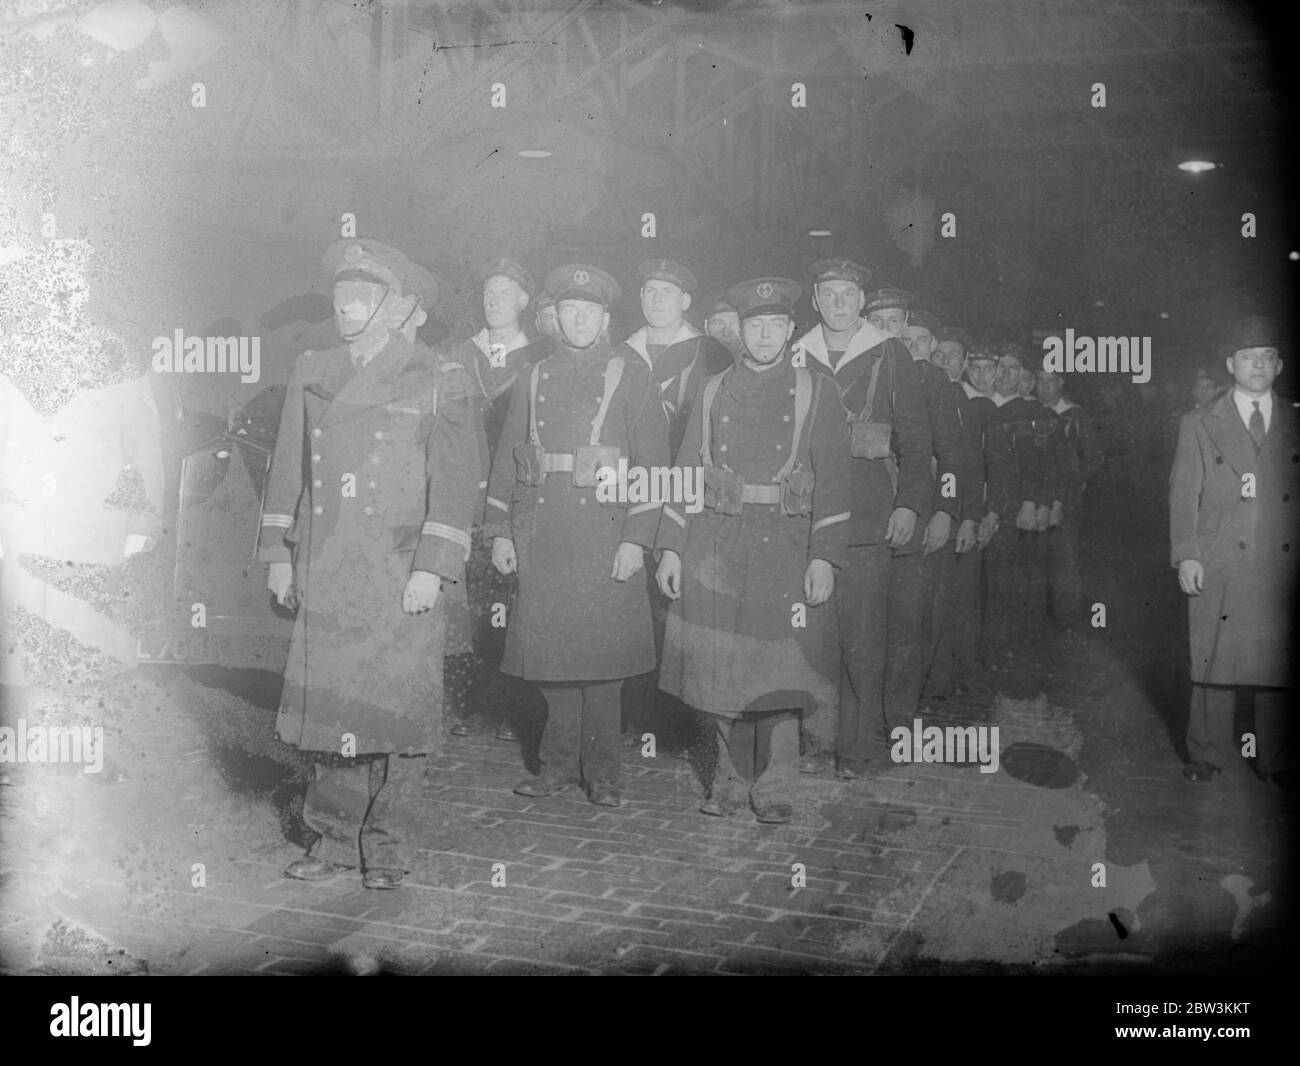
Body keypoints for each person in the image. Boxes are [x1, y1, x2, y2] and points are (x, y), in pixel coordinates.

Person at [259, 238, 483, 889]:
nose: (348, 305)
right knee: (335, 706)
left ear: (402, 305)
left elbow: (456, 483)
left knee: (399, 712)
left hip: (399, 569)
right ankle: (331, 841)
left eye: (365, 294)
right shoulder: (313, 367)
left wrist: (431, 568)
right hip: (327, 567)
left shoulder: (441, 376)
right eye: (341, 292)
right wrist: (278, 550)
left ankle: (386, 845)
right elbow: (288, 467)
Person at [656, 277, 852, 822]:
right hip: (717, 541)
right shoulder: (714, 388)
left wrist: (824, 555)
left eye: (775, 325)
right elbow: (685, 473)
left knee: (779, 664)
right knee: (722, 664)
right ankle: (729, 776)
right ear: (738, 332)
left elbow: (835, 478)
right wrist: (671, 546)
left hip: (787, 543)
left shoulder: (817, 389)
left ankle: (777, 783)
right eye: (753, 326)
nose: (764, 336)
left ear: (792, 330)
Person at [485, 264, 670, 808]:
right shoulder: (533, 376)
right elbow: (506, 461)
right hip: (543, 531)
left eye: (590, 310)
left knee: (604, 666)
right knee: (551, 662)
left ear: (606, 318)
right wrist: (500, 530)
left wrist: (637, 538)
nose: (579, 318)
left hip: (607, 533)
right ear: (554, 319)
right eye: (569, 310)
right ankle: (557, 767)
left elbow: (654, 467)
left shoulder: (631, 375)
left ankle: (604, 773)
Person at [794, 262, 930, 778]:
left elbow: (916, 440)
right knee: (808, 633)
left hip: (869, 514)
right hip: (804, 510)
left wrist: (910, 504)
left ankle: (855, 748)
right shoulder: (794, 350)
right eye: (829, 294)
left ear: (862, 298)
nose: (839, 303)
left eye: (848, 294)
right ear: (815, 299)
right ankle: (806, 740)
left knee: (863, 638)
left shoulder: (890, 352)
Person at [1170, 316, 1295, 788]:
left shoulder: (1294, 420)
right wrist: (1187, 554)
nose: (1258, 364)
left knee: (1277, 662)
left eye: (1267, 357)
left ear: (1279, 365)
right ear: (1230, 365)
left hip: (1280, 560)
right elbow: (1183, 493)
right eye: (1247, 357)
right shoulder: (1199, 422)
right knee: (1211, 658)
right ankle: (1206, 752)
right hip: (1218, 554)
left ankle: (1277, 757)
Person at [449, 257, 551, 742]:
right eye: (488, 292)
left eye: (505, 293)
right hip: (467, 493)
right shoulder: (459, 356)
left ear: (524, 301)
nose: (494, 301)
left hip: (518, 493)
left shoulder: (541, 358)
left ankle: (521, 709)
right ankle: (479, 705)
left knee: (520, 602)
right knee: (478, 603)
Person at [883, 303, 965, 727]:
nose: (912, 348)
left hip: (922, 509)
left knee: (908, 618)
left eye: (920, 342)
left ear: (932, 347)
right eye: (906, 339)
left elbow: (951, 457)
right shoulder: (879, 374)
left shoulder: (936, 383)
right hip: (876, 507)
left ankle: (899, 713)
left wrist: (945, 512)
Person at [923, 326, 987, 700]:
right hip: (922, 511)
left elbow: (970, 466)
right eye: (939, 354)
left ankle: (940, 682)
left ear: (964, 364)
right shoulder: (923, 392)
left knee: (947, 602)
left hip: (949, 514)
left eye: (953, 355)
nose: (945, 361)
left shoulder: (966, 403)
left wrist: (967, 515)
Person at [1036, 364, 1103, 630]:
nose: (1045, 386)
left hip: (1066, 498)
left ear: (1060, 382)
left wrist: (1076, 479)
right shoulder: (1030, 410)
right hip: (1034, 495)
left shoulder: (1074, 415)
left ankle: (1066, 617)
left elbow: (1095, 457)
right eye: (1040, 381)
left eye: (1050, 381)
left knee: (1064, 556)